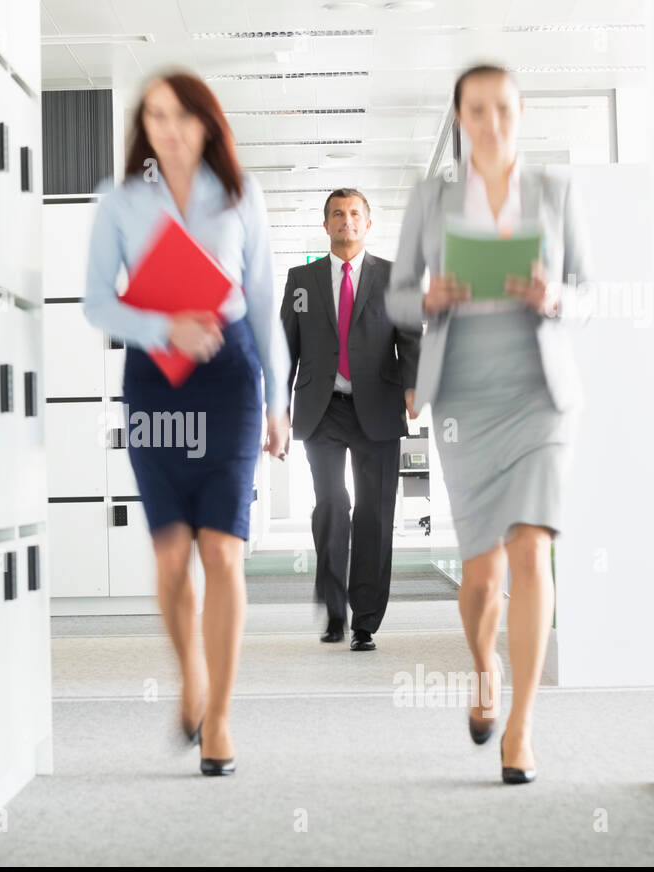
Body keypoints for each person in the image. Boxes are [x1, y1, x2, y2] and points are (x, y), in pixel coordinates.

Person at [385, 63, 592, 784]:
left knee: (532, 549)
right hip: (465, 398)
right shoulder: (431, 197)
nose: (492, 122)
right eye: (477, 110)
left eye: (503, 109)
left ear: (521, 111)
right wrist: (431, 295)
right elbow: (396, 300)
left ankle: (524, 729)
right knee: (483, 573)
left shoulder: (555, 192)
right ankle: (483, 671)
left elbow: (590, 293)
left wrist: (554, 295)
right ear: (460, 117)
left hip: (538, 393)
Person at [83, 71, 290, 777]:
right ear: (144, 127)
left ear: (207, 123)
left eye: (182, 116)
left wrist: (278, 402)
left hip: (229, 377)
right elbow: (95, 304)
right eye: (156, 116)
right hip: (155, 378)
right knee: (172, 556)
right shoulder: (118, 200)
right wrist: (161, 322)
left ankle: (222, 717)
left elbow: (262, 301)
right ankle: (191, 677)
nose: (169, 129)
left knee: (223, 552)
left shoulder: (240, 195)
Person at [279, 189, 420, 650]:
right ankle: (335, 611)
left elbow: (412, 337)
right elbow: (285, 350)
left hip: (377, 408)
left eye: (355, 214)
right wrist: (276, 408)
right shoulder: (301, 280)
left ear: (368, 223)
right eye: (337, 214)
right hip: (324, 410)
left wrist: (415, 386)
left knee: (375, 514)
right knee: (333, 506)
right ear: (326, 226)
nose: (347, 221)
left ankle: (365, 621)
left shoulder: (394, 277)